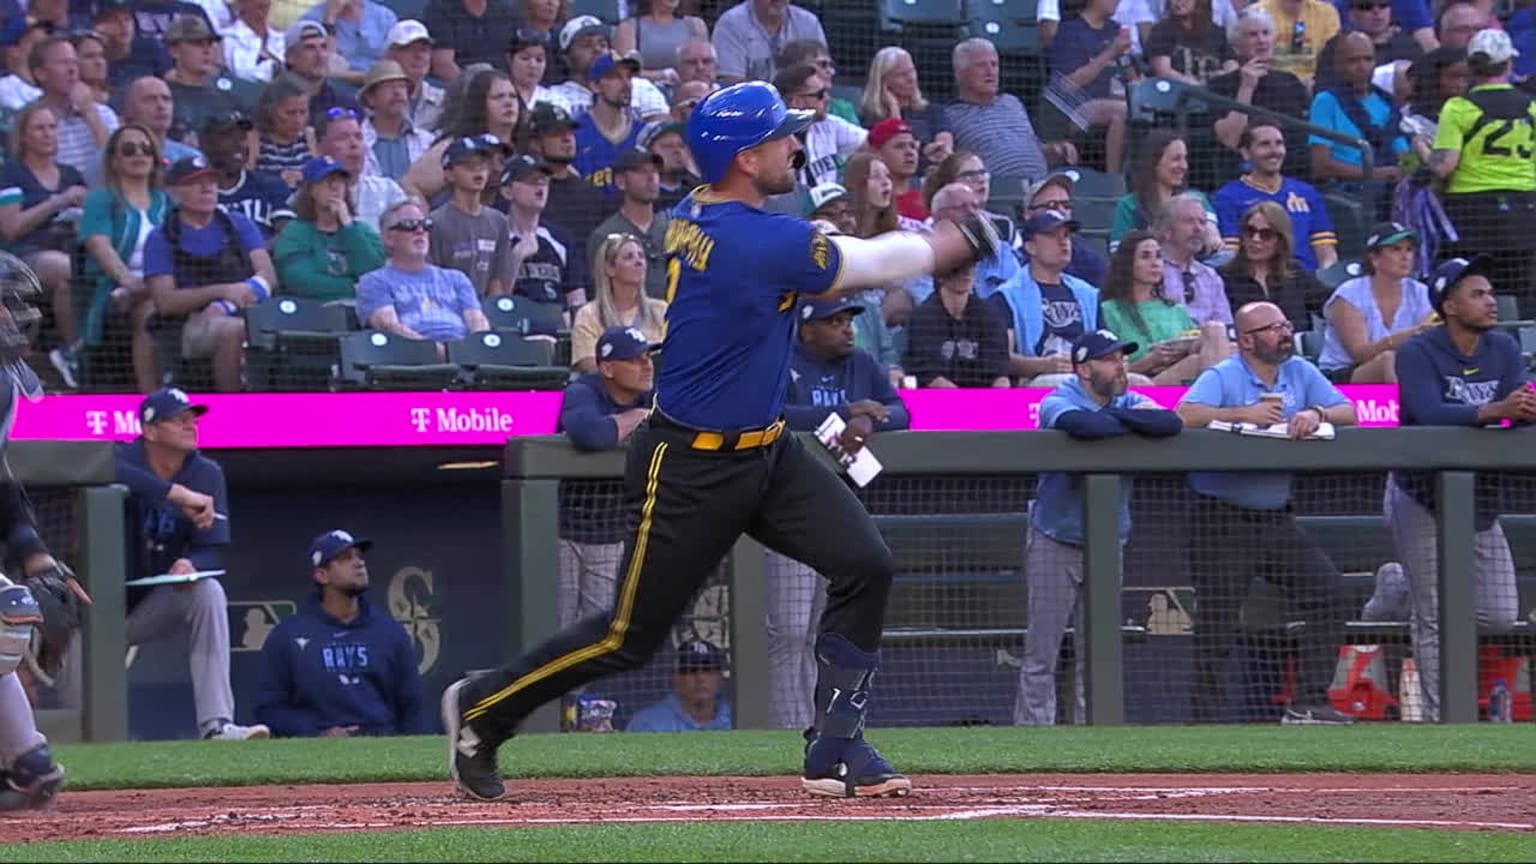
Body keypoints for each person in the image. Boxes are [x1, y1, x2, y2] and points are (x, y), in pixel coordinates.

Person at [441, 80, 996, 802]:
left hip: (767, 450)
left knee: (866, 563)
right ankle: (484, 708)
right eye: (780, 138)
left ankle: (834, 746)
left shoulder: (700, 212)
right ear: (742, 157)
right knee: (627, 638)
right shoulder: (755, 237)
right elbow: (875, 264)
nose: (795, 145)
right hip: (691, 464)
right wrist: (958, 237)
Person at [1175, 301, 1358, 725]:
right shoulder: (1225, 375)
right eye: (1272, 328)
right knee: (1218, 626)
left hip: (1275, 517)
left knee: (1330, 593)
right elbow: (1185, 414)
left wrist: (1316, 413)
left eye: (1285, 324)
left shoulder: (1300, 371)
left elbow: (1351, 412)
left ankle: (1309, 703)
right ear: (1247, 340)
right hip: (1220, 518)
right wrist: (1242, 414)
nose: (1283, 333)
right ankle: (1205, 725)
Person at [1382, 254, 1528, 722]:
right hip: (1420, 495)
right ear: (1448, 305)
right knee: (1436, 616)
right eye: (1477, 294)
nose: (1490, 302)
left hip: (1479, 500)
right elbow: (1429, 414)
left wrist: (1517, 406)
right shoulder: (1418, 351)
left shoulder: (1503, 347)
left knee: (1500, 613)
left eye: (1489, 293)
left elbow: (1518, 403)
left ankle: (1398, 585)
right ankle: (1443, 719)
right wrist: (1495, 410)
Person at [1015, 329, 1182, 726]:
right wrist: (1125, 423)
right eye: (1110, 359)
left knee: (1099, 651)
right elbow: (1081, 426)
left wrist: (1116, 416)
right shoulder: (1061, 397)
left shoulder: (1130, 397)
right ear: (1084, 369)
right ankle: (1031, 740)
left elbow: (1169, 423)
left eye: (1122, 358)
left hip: (1107, 543)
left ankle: (1095, 736)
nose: (1120, 365)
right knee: (1043, 650)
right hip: (1055, 538)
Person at [113, 387, 270, 741]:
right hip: (95, 608)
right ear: (150, 430)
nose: (191, 425)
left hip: (151, 601)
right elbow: (109, 469)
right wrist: (175, 494)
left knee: (207, 589)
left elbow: (211, 547)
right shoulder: (122, 456)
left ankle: (216, 725)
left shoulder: (206, 472)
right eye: (178, 419)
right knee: (81, 720)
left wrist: (191, 563)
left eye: (193, 418)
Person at [0, 264, 87, 810]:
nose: (9, 316)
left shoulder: (3, 380)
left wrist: (32, 552)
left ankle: (26, 760)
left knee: (7, 618)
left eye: (9, 304)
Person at [253, 530, 426, 737]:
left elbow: (413, 707)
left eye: (359, 556)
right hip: (315, 755)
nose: (358, 563)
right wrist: (318, 732)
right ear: (321, 575)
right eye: (345, 558)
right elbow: (269, 709)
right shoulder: (287, 635)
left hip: (383, 749)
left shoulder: (390, 632)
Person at [144, 155, 277, 392]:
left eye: (211, 181)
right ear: (174, 193)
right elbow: (165, 301)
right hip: (186, 327)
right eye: (195, 182)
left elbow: (268, 276)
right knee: (231, 330)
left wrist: (225, 305)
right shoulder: (161, 238)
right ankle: (231, 410)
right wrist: (221, 291)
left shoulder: (238, 224)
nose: (207, 188)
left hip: (244, 312)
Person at [556, 326, 657, 626]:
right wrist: (636, 418)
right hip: (562, 534)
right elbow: (592, 433)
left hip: (612, 534)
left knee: (598, 636)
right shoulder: (584, 391)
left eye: (647, 357)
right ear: (607, 368)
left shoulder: (656, 397)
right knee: (554, 632)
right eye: (635, 359)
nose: (647, 365)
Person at [1429, 29, 1536, 313]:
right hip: (1525, 213)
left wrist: (1421, 148)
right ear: (1509, 64)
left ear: (1472, 65)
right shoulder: (1531, 107)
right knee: (1523, 292)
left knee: (1473, 290)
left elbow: (1443, 166)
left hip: (1472, 214)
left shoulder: (1459, 108)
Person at [78, 123, 173, 394]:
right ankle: (151, 397)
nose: (139, 155)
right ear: (115, 160)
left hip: (166, 285)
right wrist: (129, 281)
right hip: (115, 287)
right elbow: (100, 245)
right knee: (151, 313)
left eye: (146, 149)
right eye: (129, 150)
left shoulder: (166, 201)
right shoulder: (101, 199)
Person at [0, 102, 87, 389]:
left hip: (73, 249)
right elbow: (11, 229)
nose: (48, 134)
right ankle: (75, 352)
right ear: (23, 136)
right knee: (65, 269)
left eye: (52, 127)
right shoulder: (11, 173)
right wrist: (59, 201)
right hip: (23, 256)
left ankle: (78, 351)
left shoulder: (72, 174)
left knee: (71, 274)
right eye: (39, 128)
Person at [1099, 230, 1231, 385]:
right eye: (1145, 257)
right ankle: (1214, 401)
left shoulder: (1176, 309)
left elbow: (1193, 341)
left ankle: (1213, 399)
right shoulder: (1109, 310)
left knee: (1215, 331)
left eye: (1159, 256)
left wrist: (1188, 348)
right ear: (1128, 263)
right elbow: (1105, 371)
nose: (1155, 263)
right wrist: (1151, 361)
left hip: (1182, 373)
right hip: (1141, 382)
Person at [357, 198, 490, 343]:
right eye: (409, 225)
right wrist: (438, 351)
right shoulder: (374, 281)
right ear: (389, 238)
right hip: (412, 357)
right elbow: (390, 327)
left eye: (425, 225)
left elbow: (477, 321)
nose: (420, 231)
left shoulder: (456, 278)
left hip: (464, 353)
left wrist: (474, 349)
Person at [1212, 122, 1339, 272]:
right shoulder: (1227, 197)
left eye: (1279, 144)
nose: (1274, 151)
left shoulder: (1307, 192)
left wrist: (1324, 279)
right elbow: (1231, 255)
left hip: (1307, 280)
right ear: (1246, 152)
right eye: (1264, 144)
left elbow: (1326, 251)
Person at [1317, 221, 1434, 383]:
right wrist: (1397, 340)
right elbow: (1360, 355)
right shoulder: (1349, 294)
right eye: (1396, 249)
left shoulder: (1420, 292)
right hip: (1342, 377)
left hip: (1403, 369)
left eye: (1409, 250)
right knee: (1387, 360)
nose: (1405, 256)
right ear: (1374, 258)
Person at [273, 156, 386, 303]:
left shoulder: (363, 231)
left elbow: (374, 273)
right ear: (311, 189)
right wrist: (355, 287)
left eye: (339, 181)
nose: (335, 187)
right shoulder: (295, 233)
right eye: (326, 181)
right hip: (314, 313)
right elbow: (302, 282)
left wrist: (348, 228)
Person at [1220, 201, 1331, 331]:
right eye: (1250, 231)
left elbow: (1332, 306)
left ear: (1281, 240)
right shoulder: (1223, 277)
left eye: (1265, 234)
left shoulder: (1295, 272)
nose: (1255, 239)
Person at [902, 261, 1012, 388]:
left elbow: (1000, 371)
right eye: (958, 267)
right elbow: (929, 375)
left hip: (985, 400)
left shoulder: (989, 315)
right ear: (940, 275)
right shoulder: (923, 318)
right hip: (937, 400)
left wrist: (999, 395)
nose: (967, 272)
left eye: (971, 266)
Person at [428, 134, 513, 297]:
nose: (478, 171)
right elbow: (432, 277)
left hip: (487, 311)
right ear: (450, 174)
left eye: (482, 164)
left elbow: (498, 280)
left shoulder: (498, 221)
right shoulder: (435, 222)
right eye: (468, 165)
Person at [571, 233, 666, 373]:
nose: (639, 261)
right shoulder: (589, 315)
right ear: (610, 268)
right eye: (629, 257)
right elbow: (589, 365)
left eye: (641, 256)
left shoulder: (662, 310)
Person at [626, 639, 733, 733]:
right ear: (676, 679)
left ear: (720, 678)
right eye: (691, 670)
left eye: (708, 670)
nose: (700, 678)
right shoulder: (649, 723)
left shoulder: (738, 719)